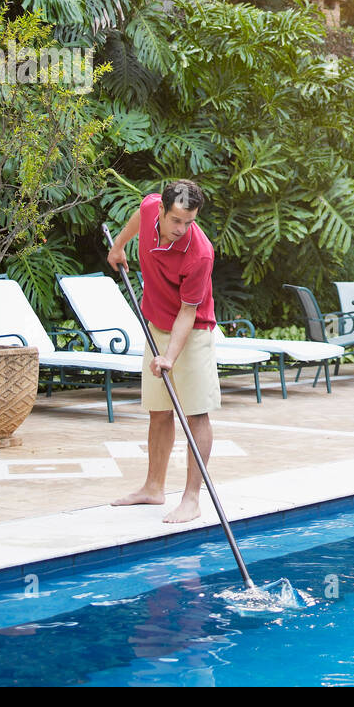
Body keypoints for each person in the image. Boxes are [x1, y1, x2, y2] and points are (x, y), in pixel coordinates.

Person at [107, 180, 219, 523]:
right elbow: (137, 220)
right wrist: (119, 247)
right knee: (159, 410)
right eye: (176, 221)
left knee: (195, 413)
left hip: (193, 330)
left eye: (189, 222)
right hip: (156, 325)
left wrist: (169, 356)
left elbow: (188, 311)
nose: (182, 229)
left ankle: (191, 498)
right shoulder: (148, 207)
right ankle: (153, 488)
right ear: (161, 210)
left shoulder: (200, 252)